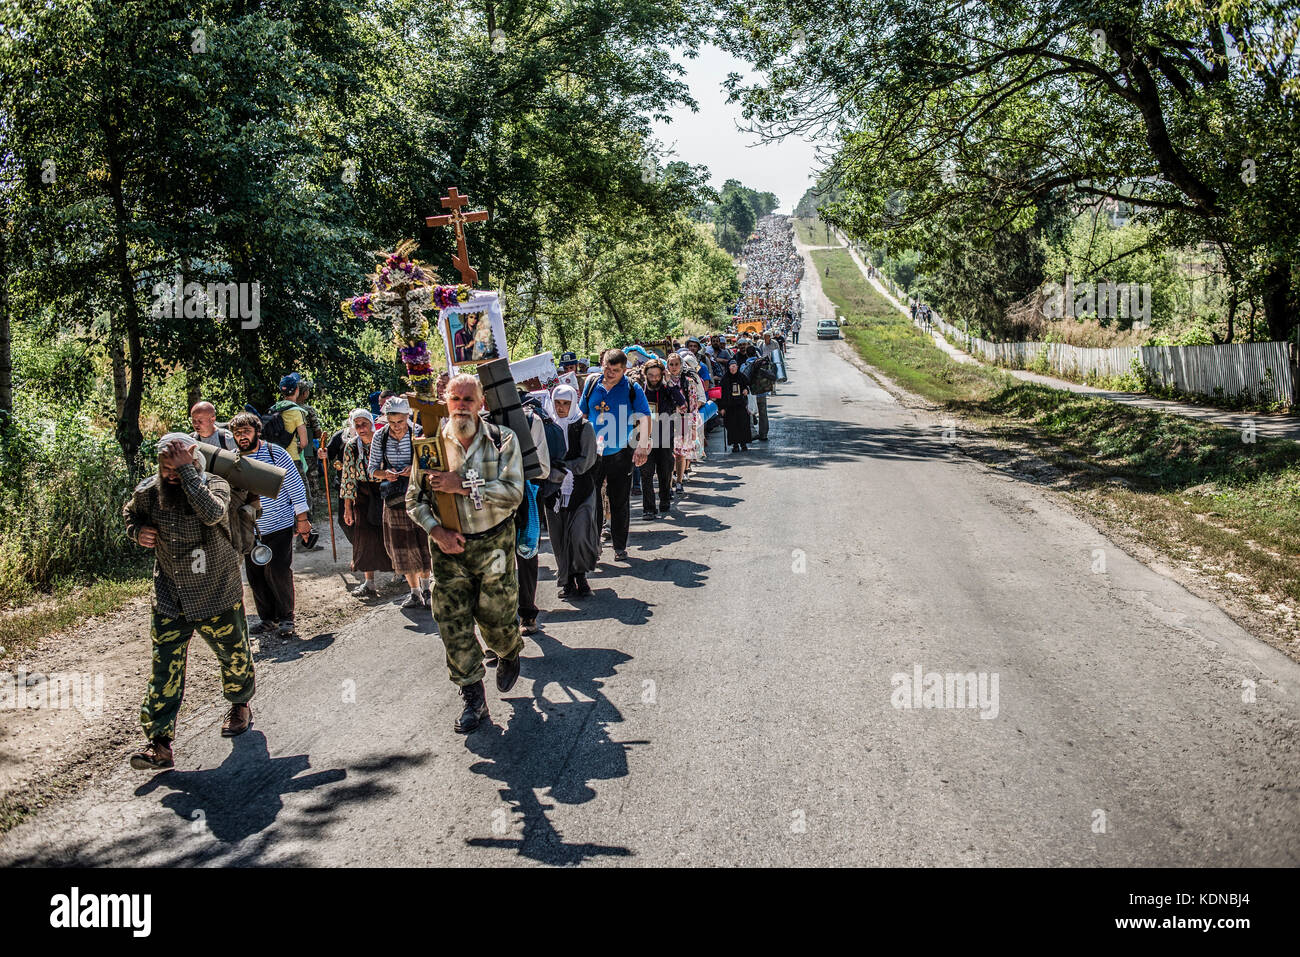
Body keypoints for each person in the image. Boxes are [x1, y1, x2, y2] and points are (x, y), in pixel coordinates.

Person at [123, 434, 255, 770]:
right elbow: (131, 513)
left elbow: (212, 513)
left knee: (234, 654)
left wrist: (188, 474)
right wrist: (137, 532)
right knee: (164, 668)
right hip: (170, 595)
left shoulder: (215, 484)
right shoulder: (149, 491)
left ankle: (240, 703)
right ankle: (159, 743)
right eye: (165, 468)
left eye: (176, 468)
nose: (170, 475)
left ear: (193, 461)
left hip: (216, 590)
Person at [407, 374, 526, 734]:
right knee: (452, 623)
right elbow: (414, 499)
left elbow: (513, 493)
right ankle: (473, 696)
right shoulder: (429, 446)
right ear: (445, 401)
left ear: (481, 404)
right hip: (447, 549)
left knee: (497, 618)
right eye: (455, 398)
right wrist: (436, 530)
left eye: (468, 399)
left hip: (494, 544)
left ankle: (508, 651)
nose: (461, 405)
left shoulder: (502, 440)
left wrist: (463, 485)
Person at [229, 412, 311, 638]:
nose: (242, 437)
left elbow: (295, 487)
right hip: (250, 528)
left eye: (246, 431)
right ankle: (268, 619)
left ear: (257, 431)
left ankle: (286, 618)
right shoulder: (233, 459)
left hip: (280, 524)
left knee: (278, 571)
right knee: (255, 575)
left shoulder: (276, 454)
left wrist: (302, 520)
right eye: (237, 433)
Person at [578, 349, 651, 562]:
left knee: (619, 500)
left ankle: (620, 546)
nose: (610, 373)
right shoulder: (592, 384)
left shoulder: (631, 388)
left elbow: (645, 417)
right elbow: (582, 414)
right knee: (592, 500)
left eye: (615, 370)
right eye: (607, 369)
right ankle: (595, 543)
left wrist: (643, 445)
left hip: (620, 452)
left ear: (624, 370)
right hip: (593, 453)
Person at [369, 396, 432, 608]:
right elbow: (372, 470)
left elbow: (431, 462)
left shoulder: (418, 432)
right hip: (395, 498)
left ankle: (426, 587)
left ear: (408, 417)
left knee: (423, 541)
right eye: (392, 423)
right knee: (401, 546)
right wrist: (385, 474)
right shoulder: (380, 436)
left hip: (419, 494)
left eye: (400, 422)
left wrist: (412, 470)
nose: (396, 427)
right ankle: (414, 592)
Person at [542, 384, 599, 599]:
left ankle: (581, 575)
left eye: (566, 403)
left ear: (573, 403)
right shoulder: (547, 428)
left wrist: (564, 467)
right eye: (558, 403)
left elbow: (588, 459)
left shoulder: (584, 427)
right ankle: (566, 580)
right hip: (554, 492)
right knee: (559, 537)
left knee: (579, 534)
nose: (561, 407)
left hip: (581, 490)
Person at [338, 408, 393, 598]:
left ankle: (403, 572)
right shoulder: (351, 447)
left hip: (385, 491)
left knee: (392, 533)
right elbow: (347, 479)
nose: (361, 428)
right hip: (363, 494)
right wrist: (347, 507)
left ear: (371, 423)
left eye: (364, 424)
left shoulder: (384, 442)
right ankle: (369, 583)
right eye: (357, 425)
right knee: (365, 537)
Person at [513, 390, 551, 636]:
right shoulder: (476, 423)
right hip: (488, 503)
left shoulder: (531, 420)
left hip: (524, 497)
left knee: (526, 556)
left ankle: (527, 612)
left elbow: (543, 468)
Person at [637, 358, 685, 520]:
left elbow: (681, 401)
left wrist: (669, 383)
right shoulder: (640, 391)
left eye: (657, 375)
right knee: (646, 473)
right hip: (645, 437)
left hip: (665, 436)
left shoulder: (667, 388)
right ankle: (649, 508)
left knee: (665, 471)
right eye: (651, 375)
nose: (654, 379)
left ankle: (664, 499)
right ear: (646, 375)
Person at [719, 359, 752, 452]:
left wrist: (746, 390)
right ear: (728, 368)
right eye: (731, 366)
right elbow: (721, 394)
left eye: (734, 366)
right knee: (732, 426)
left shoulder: (741, 376)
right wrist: (721, 408)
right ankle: (735, 444)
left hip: (741, 405)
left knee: (743, 424)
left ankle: (743, 443)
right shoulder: (725, 379)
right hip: (730, 406)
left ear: (737, 367)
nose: (733, 368)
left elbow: (748, 385)